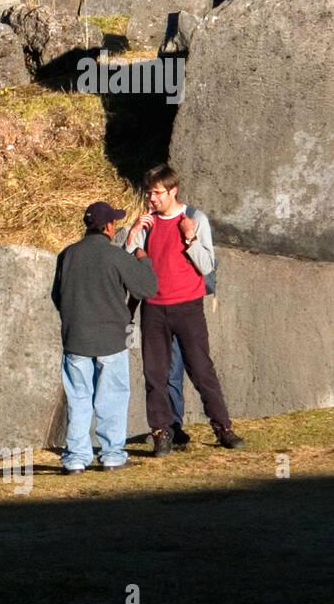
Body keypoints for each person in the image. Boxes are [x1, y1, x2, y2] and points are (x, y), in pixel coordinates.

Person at [123, 164, 245, 455]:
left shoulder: (194, 218)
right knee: (155, 375)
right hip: (153, 308)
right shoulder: (146, 223)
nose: (151, 199)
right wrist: (131, 238)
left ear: (172, 191)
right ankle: (162, 432)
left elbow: (206, 265)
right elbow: (129, 267)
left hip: (188, 307)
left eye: (156, 193)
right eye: (149, 194)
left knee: (201, 370)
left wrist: (190, 237)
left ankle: (223, 428)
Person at [52, 201, 159, 473]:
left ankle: (76, 458)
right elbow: (147, 288)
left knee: (78, 399)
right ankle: (111, 455)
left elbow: (57, 296)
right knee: (111, 397)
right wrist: (143, 258)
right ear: (109, 227)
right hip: (112, 338)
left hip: (76, 338)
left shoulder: (67, 255)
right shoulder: (115, 256)